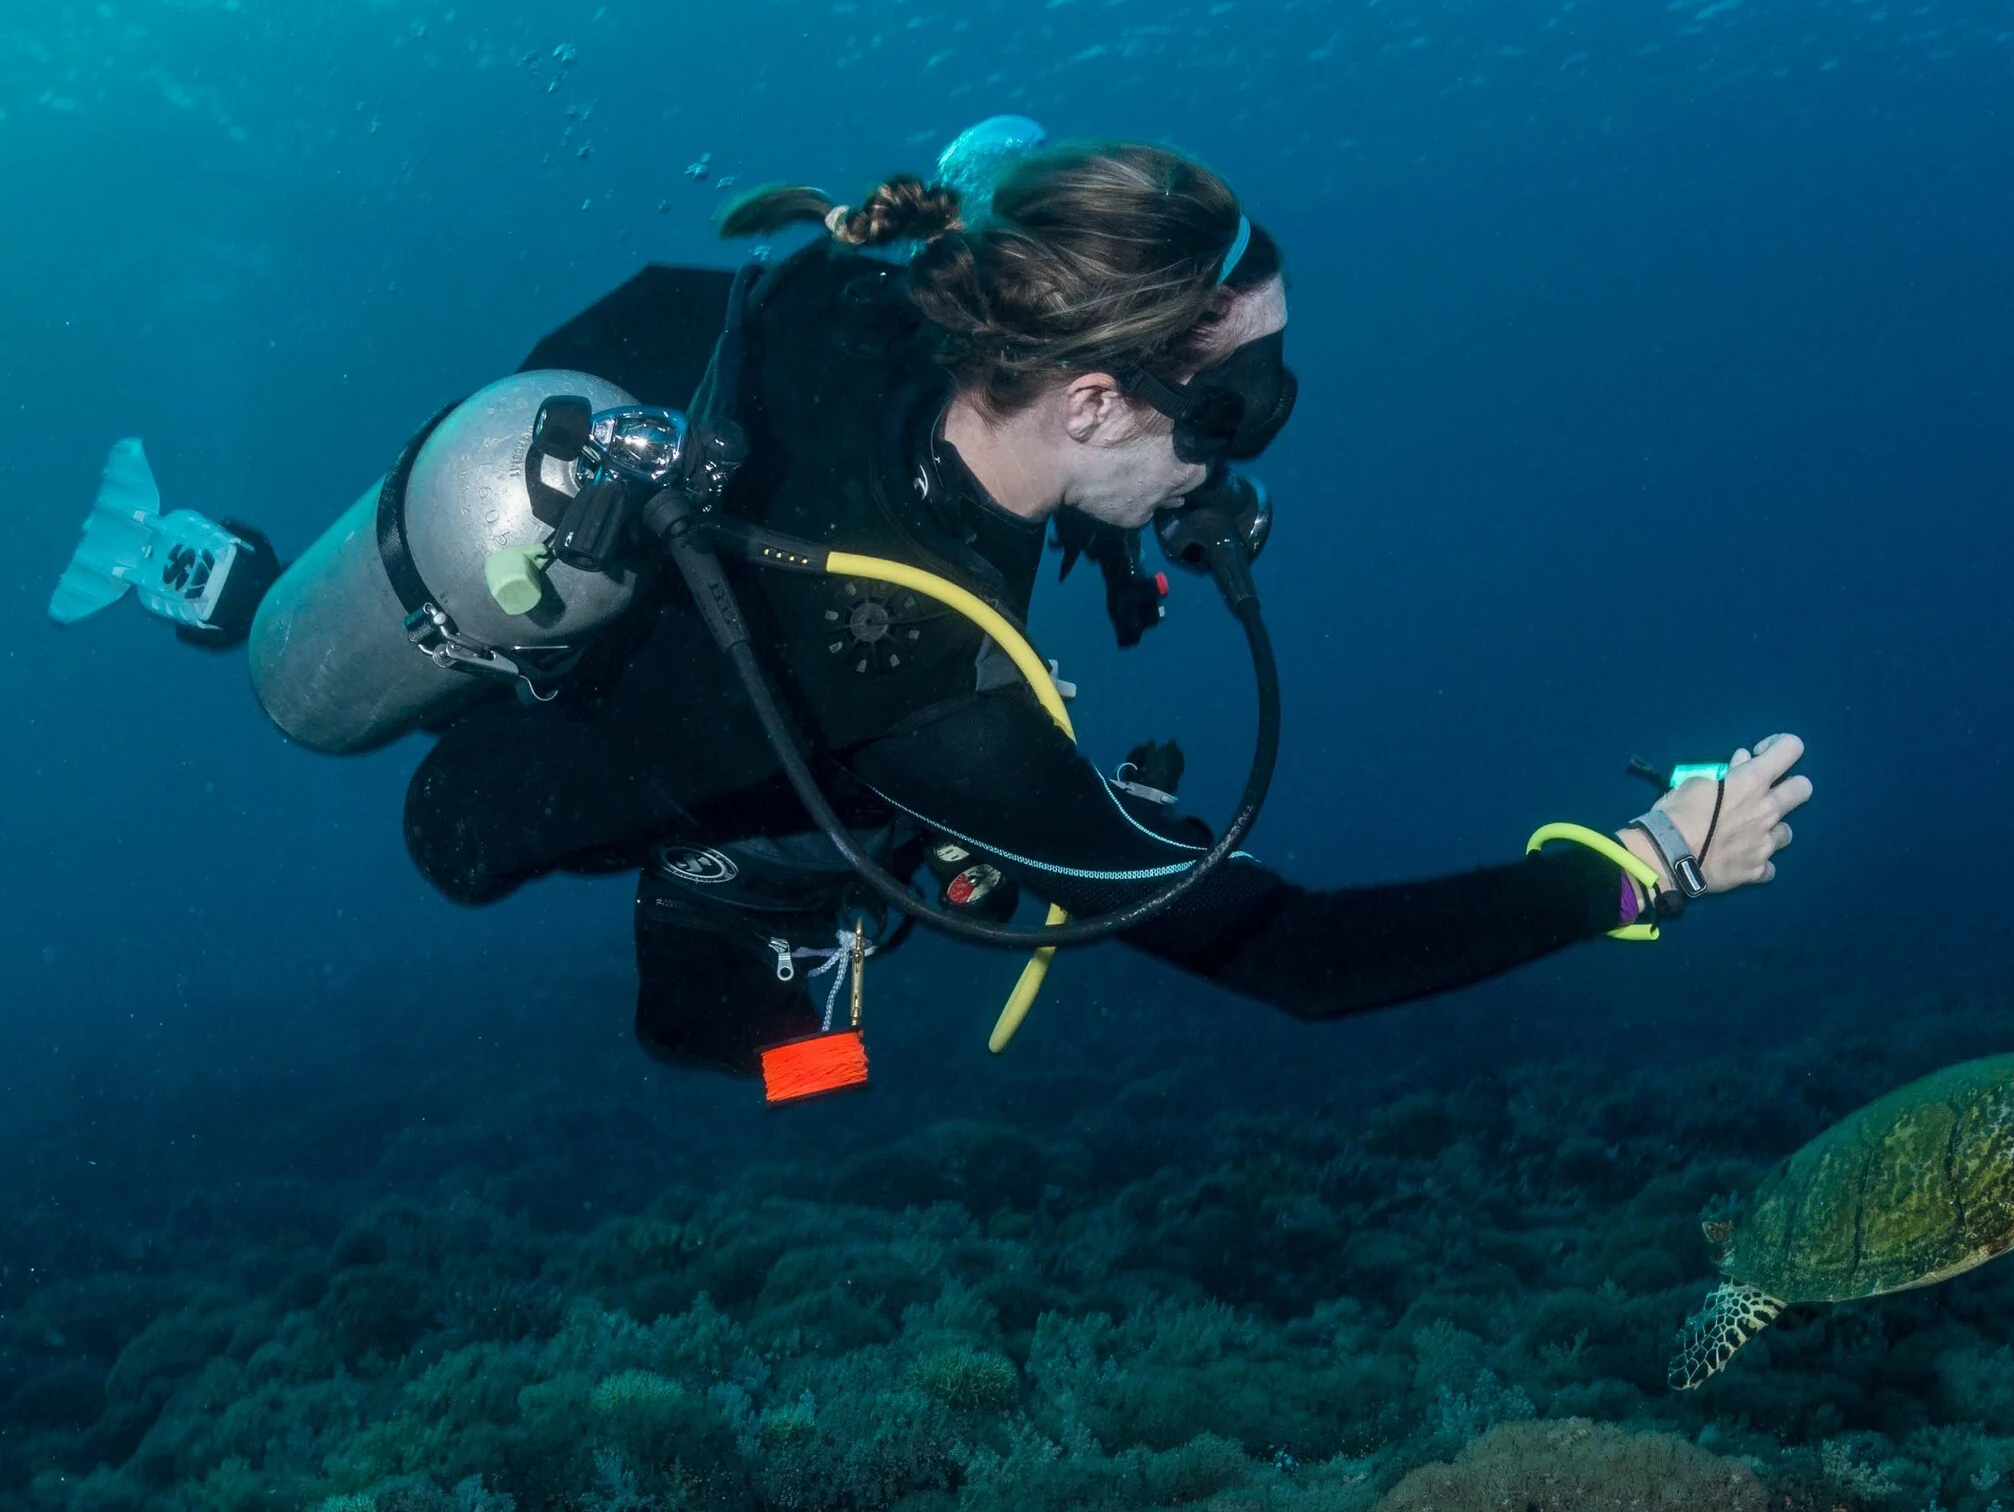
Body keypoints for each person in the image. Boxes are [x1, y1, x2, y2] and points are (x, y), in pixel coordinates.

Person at [59, 125, 1811, 1090]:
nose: (1258, 449)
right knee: (781, 1053)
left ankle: (198, 574)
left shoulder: (903, 286)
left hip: (570, 548)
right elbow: (1304, 961)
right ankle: (746, 867)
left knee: (530, 647)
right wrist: (1645, 865)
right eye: (1241, 407)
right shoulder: (943, 704)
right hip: (608, 767)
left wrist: (1134, 526)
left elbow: (1000, 169)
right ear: (1098, 403)